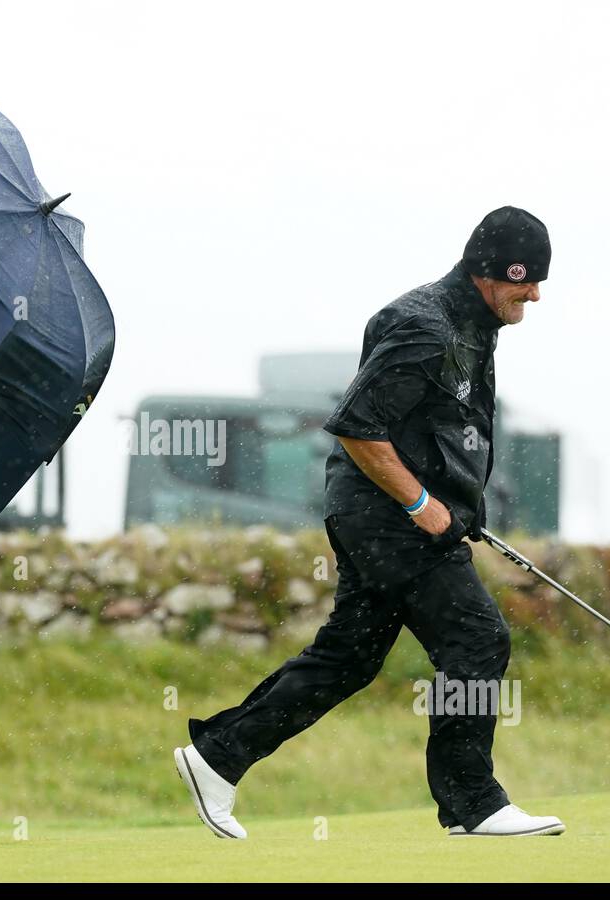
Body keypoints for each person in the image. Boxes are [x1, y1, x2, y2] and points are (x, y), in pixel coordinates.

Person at [175, 207, 565, 838]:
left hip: (383, 518)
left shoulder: (473, 323)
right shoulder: (425, 328)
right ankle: (472, 802)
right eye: (528, 280)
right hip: (390, 521)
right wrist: (422, 504)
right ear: (493, 273)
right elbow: (358, 426)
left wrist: (461, 504)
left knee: (348, 657)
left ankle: (217, 757)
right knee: (476, 640)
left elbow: (439, 430)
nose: (537, 294)